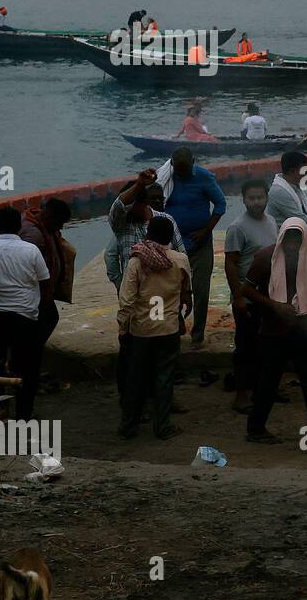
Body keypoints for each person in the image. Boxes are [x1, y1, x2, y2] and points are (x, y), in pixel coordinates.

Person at [243, 218, 307, 458]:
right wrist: (274, 305)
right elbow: (246, 290)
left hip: (304, 328)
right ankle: (255, 428)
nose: (293, 245)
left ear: (304, 239)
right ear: (282, 238)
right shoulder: (266, 258)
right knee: (268, 382)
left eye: (298, 239)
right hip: (274, 331)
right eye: (289, 239)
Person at [116, 216, 189, 440]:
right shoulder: (180, 260)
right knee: (164, 379)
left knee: (135, 379)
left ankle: (129, 426)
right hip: (168, 328)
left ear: (148, 234)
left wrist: (123, 328)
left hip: (141, 329)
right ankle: (163, 426)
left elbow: (127, 299)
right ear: (170, 237)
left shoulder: (137, 260)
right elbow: (186, 293)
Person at [0, 207, 50, 418]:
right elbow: (45, 283)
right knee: (27, 368)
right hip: (25, 316)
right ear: (18, 226)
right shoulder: (31, 250)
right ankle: (24, 413)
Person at [224, 179, 278, 414]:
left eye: (260, 198)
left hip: (268, 297)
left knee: (266, 346)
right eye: (251, 198)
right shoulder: (237, 228)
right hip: (247, 297)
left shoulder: (273, 222)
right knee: (245, 347)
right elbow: (231, 264)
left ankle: (262, 390)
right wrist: (237, 297)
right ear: (243, 200)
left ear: (267, 198)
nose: (256, 203)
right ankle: (241, 395)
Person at [164, 146, 226, 344]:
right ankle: (177, 322)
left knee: (201, 290)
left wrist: (207, 229)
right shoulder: (165, 178)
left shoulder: (204, 177)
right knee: (171, 289)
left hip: (200, 244)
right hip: (173, 245)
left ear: (194, 161)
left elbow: (221, 204)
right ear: (172, 165)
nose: (183, 173)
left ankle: (198, 332)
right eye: (179, 169)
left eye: (186, 168)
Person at [19, 198, 72, 367]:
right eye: (60, 223)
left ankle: (30, 361)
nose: (61, 227)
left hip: (42, 292)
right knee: (43, 324)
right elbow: (27, 268)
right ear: (50, 217)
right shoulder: (32, 234)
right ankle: (27, 364)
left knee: (47, 321)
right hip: (35, 294)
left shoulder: (45, 228)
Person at [266, 151, 307, 225]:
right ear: (292, 171)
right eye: (305, 171)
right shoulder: (279, 191)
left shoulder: (294, 187)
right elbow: (301, 219)